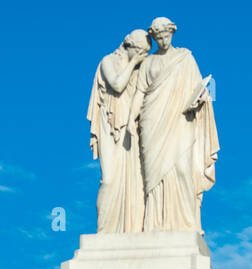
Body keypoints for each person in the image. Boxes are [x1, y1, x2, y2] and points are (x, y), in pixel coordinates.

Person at [132, 17, 219, 232]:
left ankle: (187, 224)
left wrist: (201, 99)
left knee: (182, 168)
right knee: (152, 175)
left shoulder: (185, 58)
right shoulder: (148, 63)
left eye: (166, 35)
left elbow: (200, 88)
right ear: (153, 37)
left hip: (181, 119)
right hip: (152, 120)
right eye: (158, 37)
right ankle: (154, 224)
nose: (162, 40)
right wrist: (128, 123)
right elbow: (139, 93)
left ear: (172, 33)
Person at [87, 29, 149, 232]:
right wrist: (133, 63)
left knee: (135, 183)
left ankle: (131, 229)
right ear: (130, 46)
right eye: (141, 52)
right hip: (110, 125)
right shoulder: (108, 61)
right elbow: (117, 84)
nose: (143, 57)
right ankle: (104, 231)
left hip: (130, 129)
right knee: (109, 180)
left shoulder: (140, 69)